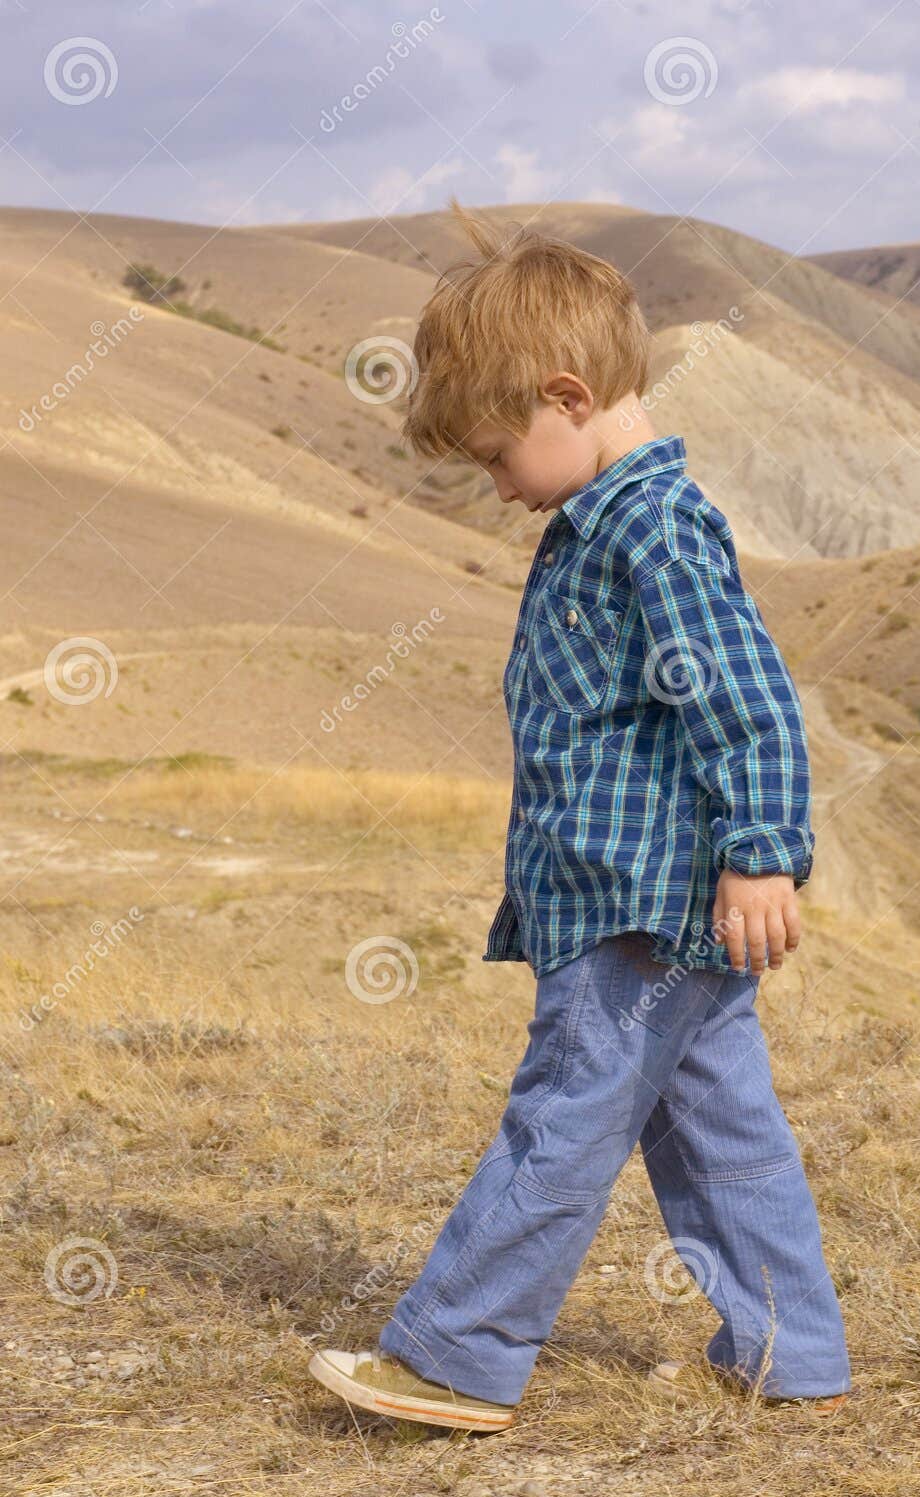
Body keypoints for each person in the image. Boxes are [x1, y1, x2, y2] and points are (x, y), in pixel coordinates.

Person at [309, 200, 850, 1432]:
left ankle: (458, 1354)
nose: (499, 486)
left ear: (565, 396)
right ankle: (793, 1352)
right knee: (720, 1130)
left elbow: (747, 696)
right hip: (639, 901)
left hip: (637, 905)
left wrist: (762, 855)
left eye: (499, 456)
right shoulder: (598, 520)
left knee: (559, 1119)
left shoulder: (652, 529)